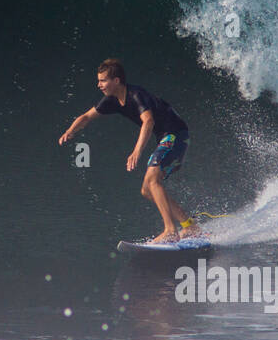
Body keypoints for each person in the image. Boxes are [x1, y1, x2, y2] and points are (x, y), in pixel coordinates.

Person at [58, 58, 193, 243]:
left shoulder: (136, 95)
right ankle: (189, 226)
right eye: (98, 80)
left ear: (116, 80)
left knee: (153, 178)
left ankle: (170, 230)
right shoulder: (112, 100)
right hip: (166, 137)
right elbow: (86, 116)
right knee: (147, 190)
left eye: (103, 80)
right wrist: (70, 131)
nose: (99, 85)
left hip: (176, 134)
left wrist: (137, 151)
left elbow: (148, 121)